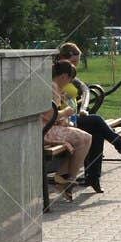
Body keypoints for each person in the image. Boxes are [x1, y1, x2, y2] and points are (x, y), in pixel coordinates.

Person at [55, 42, 121, 192]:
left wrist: (83, 108)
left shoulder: (69, 74)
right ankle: (120, 146)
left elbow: (84, 89)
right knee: (96, 121)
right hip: (64, 121)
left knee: (97, 131)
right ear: (64, 58)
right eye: (73, 62)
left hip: (75, 117)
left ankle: (93, 178)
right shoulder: (58, 73)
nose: (75, 66)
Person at [42, 60, 93, 200]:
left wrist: (63, 118)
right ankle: (68, 178)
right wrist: (66, 112)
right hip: (46, 130)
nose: (70, 82)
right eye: (70, 78)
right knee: (85, 138)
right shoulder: (52, 86)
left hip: (48, 127)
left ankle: (63, 177)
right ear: (64, 76)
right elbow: (48, 115)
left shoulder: (54, 86)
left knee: (80, 139)